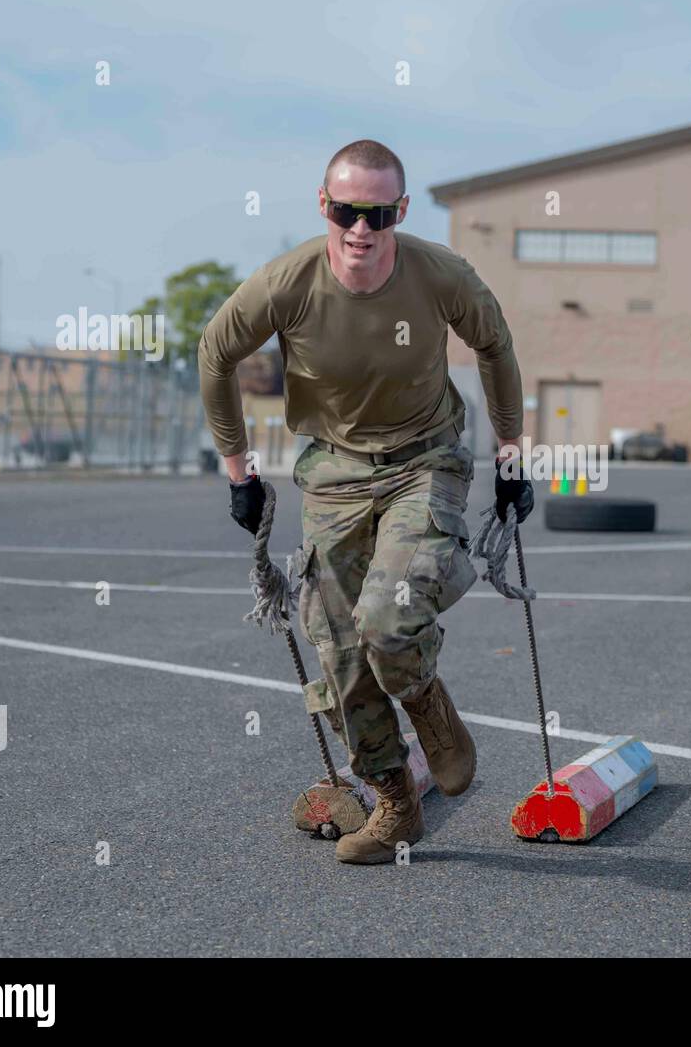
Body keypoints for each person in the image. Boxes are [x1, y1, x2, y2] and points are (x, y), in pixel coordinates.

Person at [198, 139, 533, 864]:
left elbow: (496, 346)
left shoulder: (440, 273)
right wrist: (239, 471)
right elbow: (216, 351)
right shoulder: (287, 283)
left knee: (387, 616)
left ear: (399, 211)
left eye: (377, 213)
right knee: (341, 651)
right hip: (333, 474)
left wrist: (510, 455)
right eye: (347, 210)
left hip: (425, 461)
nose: (361, 229)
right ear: (324, 206)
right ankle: (396, 803)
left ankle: (430, 709)